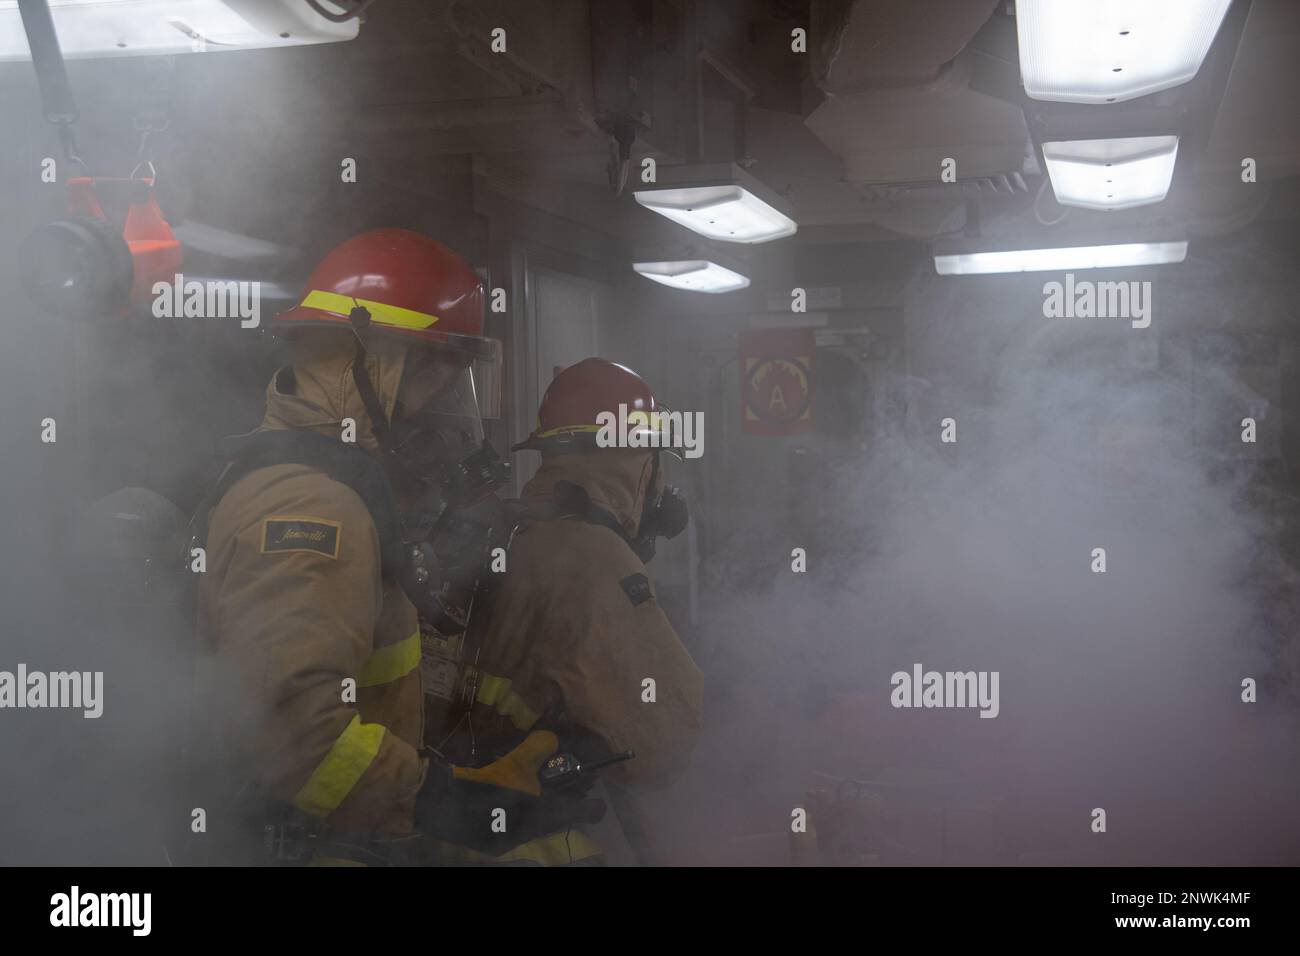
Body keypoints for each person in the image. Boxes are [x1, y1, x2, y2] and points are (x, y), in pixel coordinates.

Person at [192, 228, 556, 864]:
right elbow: (294, 732)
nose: (445, 408)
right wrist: (440, 801)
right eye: (437, 375)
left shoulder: (334, 488)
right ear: (368, 362)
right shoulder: (310, 506)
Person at [424, 358, 704, 865]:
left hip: (448, 830)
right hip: (538, 845)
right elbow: (663, 743)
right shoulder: (598, 558)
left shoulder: (504, 530)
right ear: (638, 464)